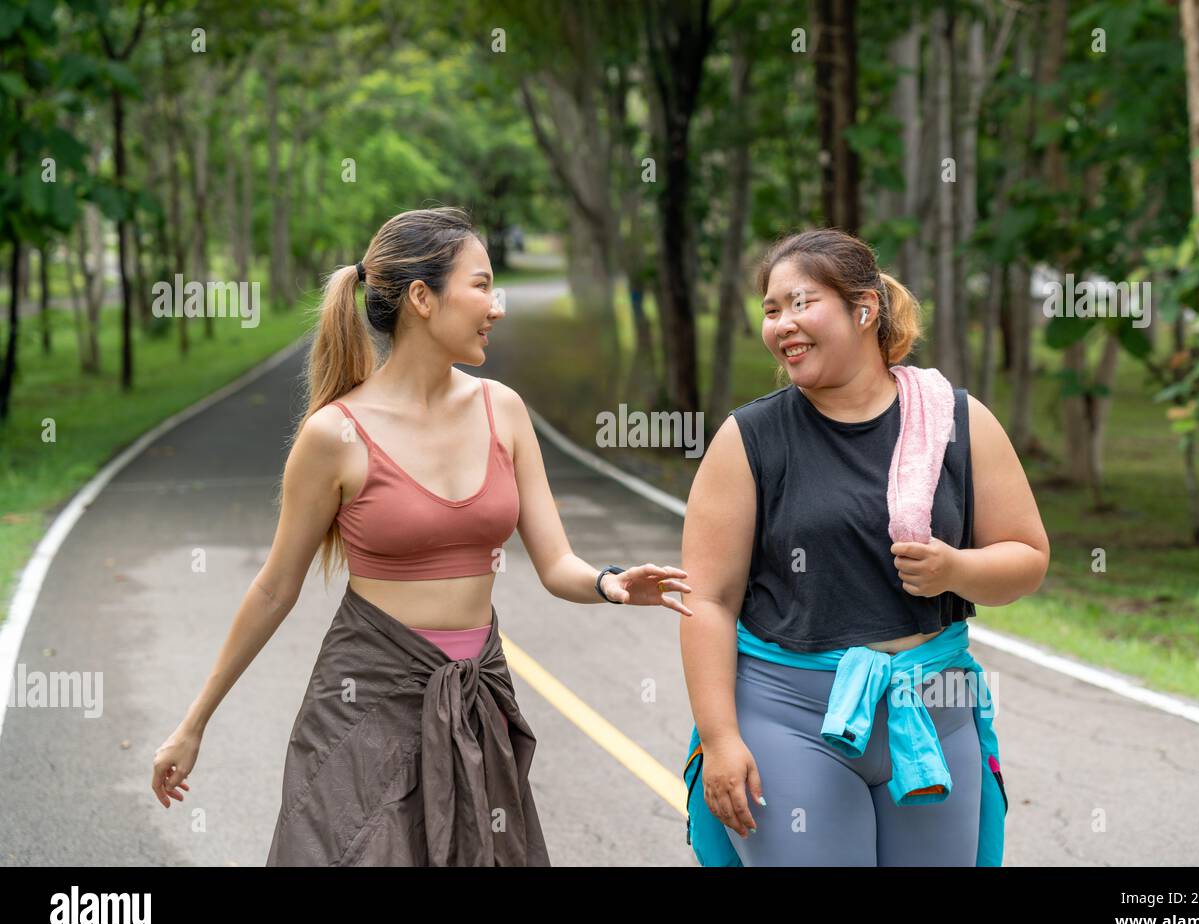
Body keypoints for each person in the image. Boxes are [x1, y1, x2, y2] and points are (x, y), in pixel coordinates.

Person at [149, 206, 691, 865]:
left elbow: (556, 563)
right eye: (483, 285)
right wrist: (192, 724)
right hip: (365, 704)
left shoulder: (504, 411)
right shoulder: (334, 436)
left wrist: (610, 584)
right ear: (422, 298)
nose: (497, 306)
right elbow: (273, 589)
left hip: (476, 701)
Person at [678, 227, 1049, 866]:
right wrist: (719, 738)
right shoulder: (750, 439)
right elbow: (707, 600)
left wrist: (955, 568)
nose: (782, 324)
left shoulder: (959, 422)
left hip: (933, 712)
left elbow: (1027, 558)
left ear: (863, 309)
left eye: (801, 303)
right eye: (771, 310)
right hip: (792, 719)